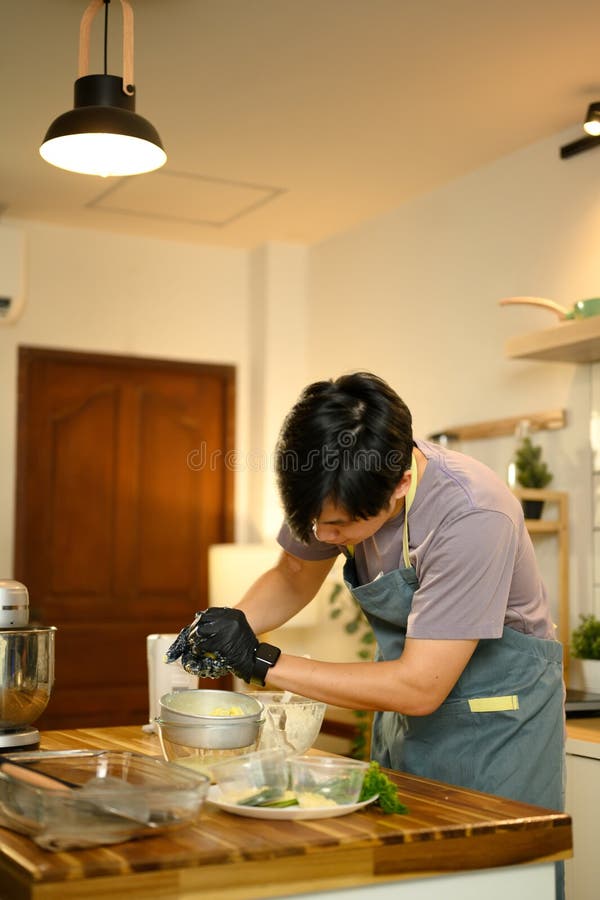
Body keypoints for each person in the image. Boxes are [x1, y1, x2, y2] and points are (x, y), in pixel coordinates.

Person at [168, 371, 565, 815]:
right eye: (312, 521)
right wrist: (231, 624)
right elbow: (296, 571)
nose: (321, 534)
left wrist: (261, 661)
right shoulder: (335, 480)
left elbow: (419, 686)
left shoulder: (473, 516)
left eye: (337, 526)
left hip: (496, 737)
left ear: (400, 485)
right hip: (406, 722)